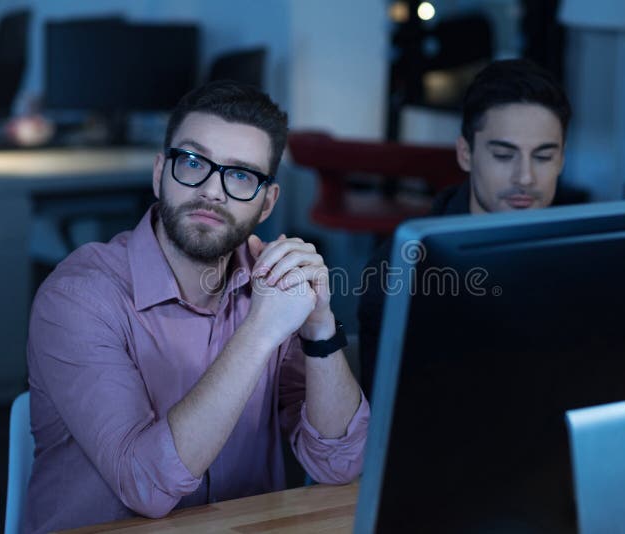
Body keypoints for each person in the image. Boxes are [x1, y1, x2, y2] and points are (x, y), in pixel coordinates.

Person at [25, 81, 369, 533]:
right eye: (192, 162)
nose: (212, 190)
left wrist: (320, 326)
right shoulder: (78, 297)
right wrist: (261, 332)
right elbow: (146, 486)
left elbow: (340, 463)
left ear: (267, 203)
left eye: (241, 175)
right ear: (159, 174)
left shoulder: (271, 287)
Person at [357, 59, 572, 397]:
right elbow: (389, 416)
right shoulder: (401, 272)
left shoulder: (582, 256)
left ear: (561, 160)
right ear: (465, 154)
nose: (525, 178)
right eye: (504, 155)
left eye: (543, 157)